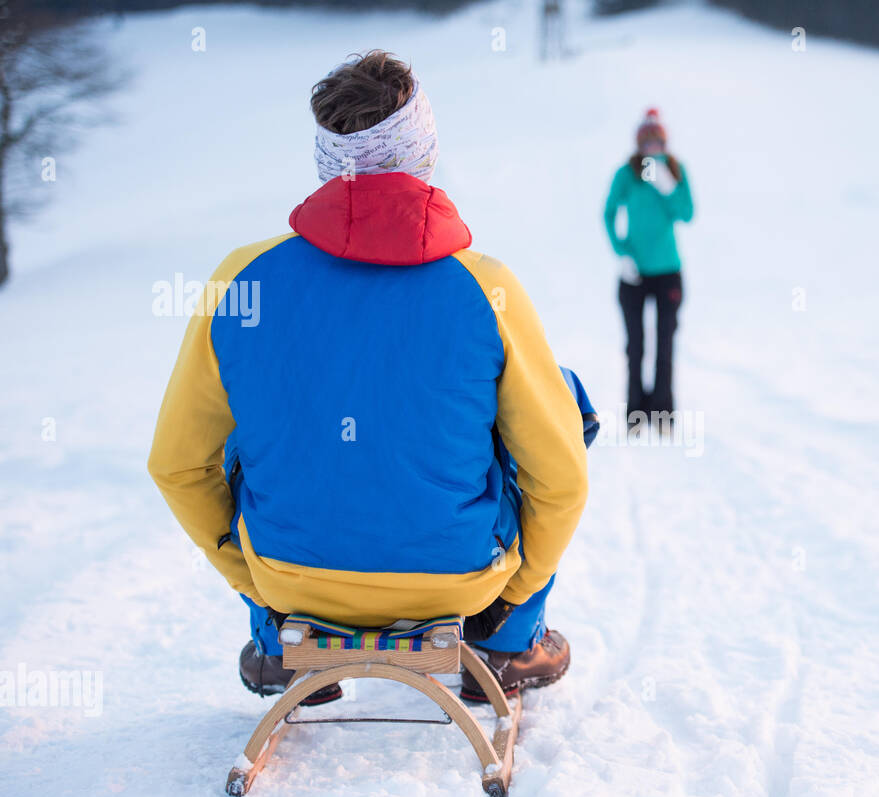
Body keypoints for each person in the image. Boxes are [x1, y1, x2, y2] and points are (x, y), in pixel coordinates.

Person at [148, 51, 592, 706]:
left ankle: (280, 646)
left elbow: (178, 465)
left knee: (252, 425)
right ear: (424, 154)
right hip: (456, 580)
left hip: (290, 581)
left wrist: (257, 582)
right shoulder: (486, 289)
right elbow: (562, 481)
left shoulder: (239, 283)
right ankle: (506, 644)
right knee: (557, 399)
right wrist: (509, 597)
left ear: (328, 163)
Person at [603, 108, 694, 429]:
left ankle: (663, 414)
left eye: (658, 143)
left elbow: (686, 213)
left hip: (668, 272)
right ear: (639, 145)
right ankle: (636, 415)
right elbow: (609, 212)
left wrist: (669, 186)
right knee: (636, 345)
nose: (652, 150)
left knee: (665, 344)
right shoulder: (626, 174)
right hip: (634, 276)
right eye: (647, 143)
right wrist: (622, 252)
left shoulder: (674, 170)